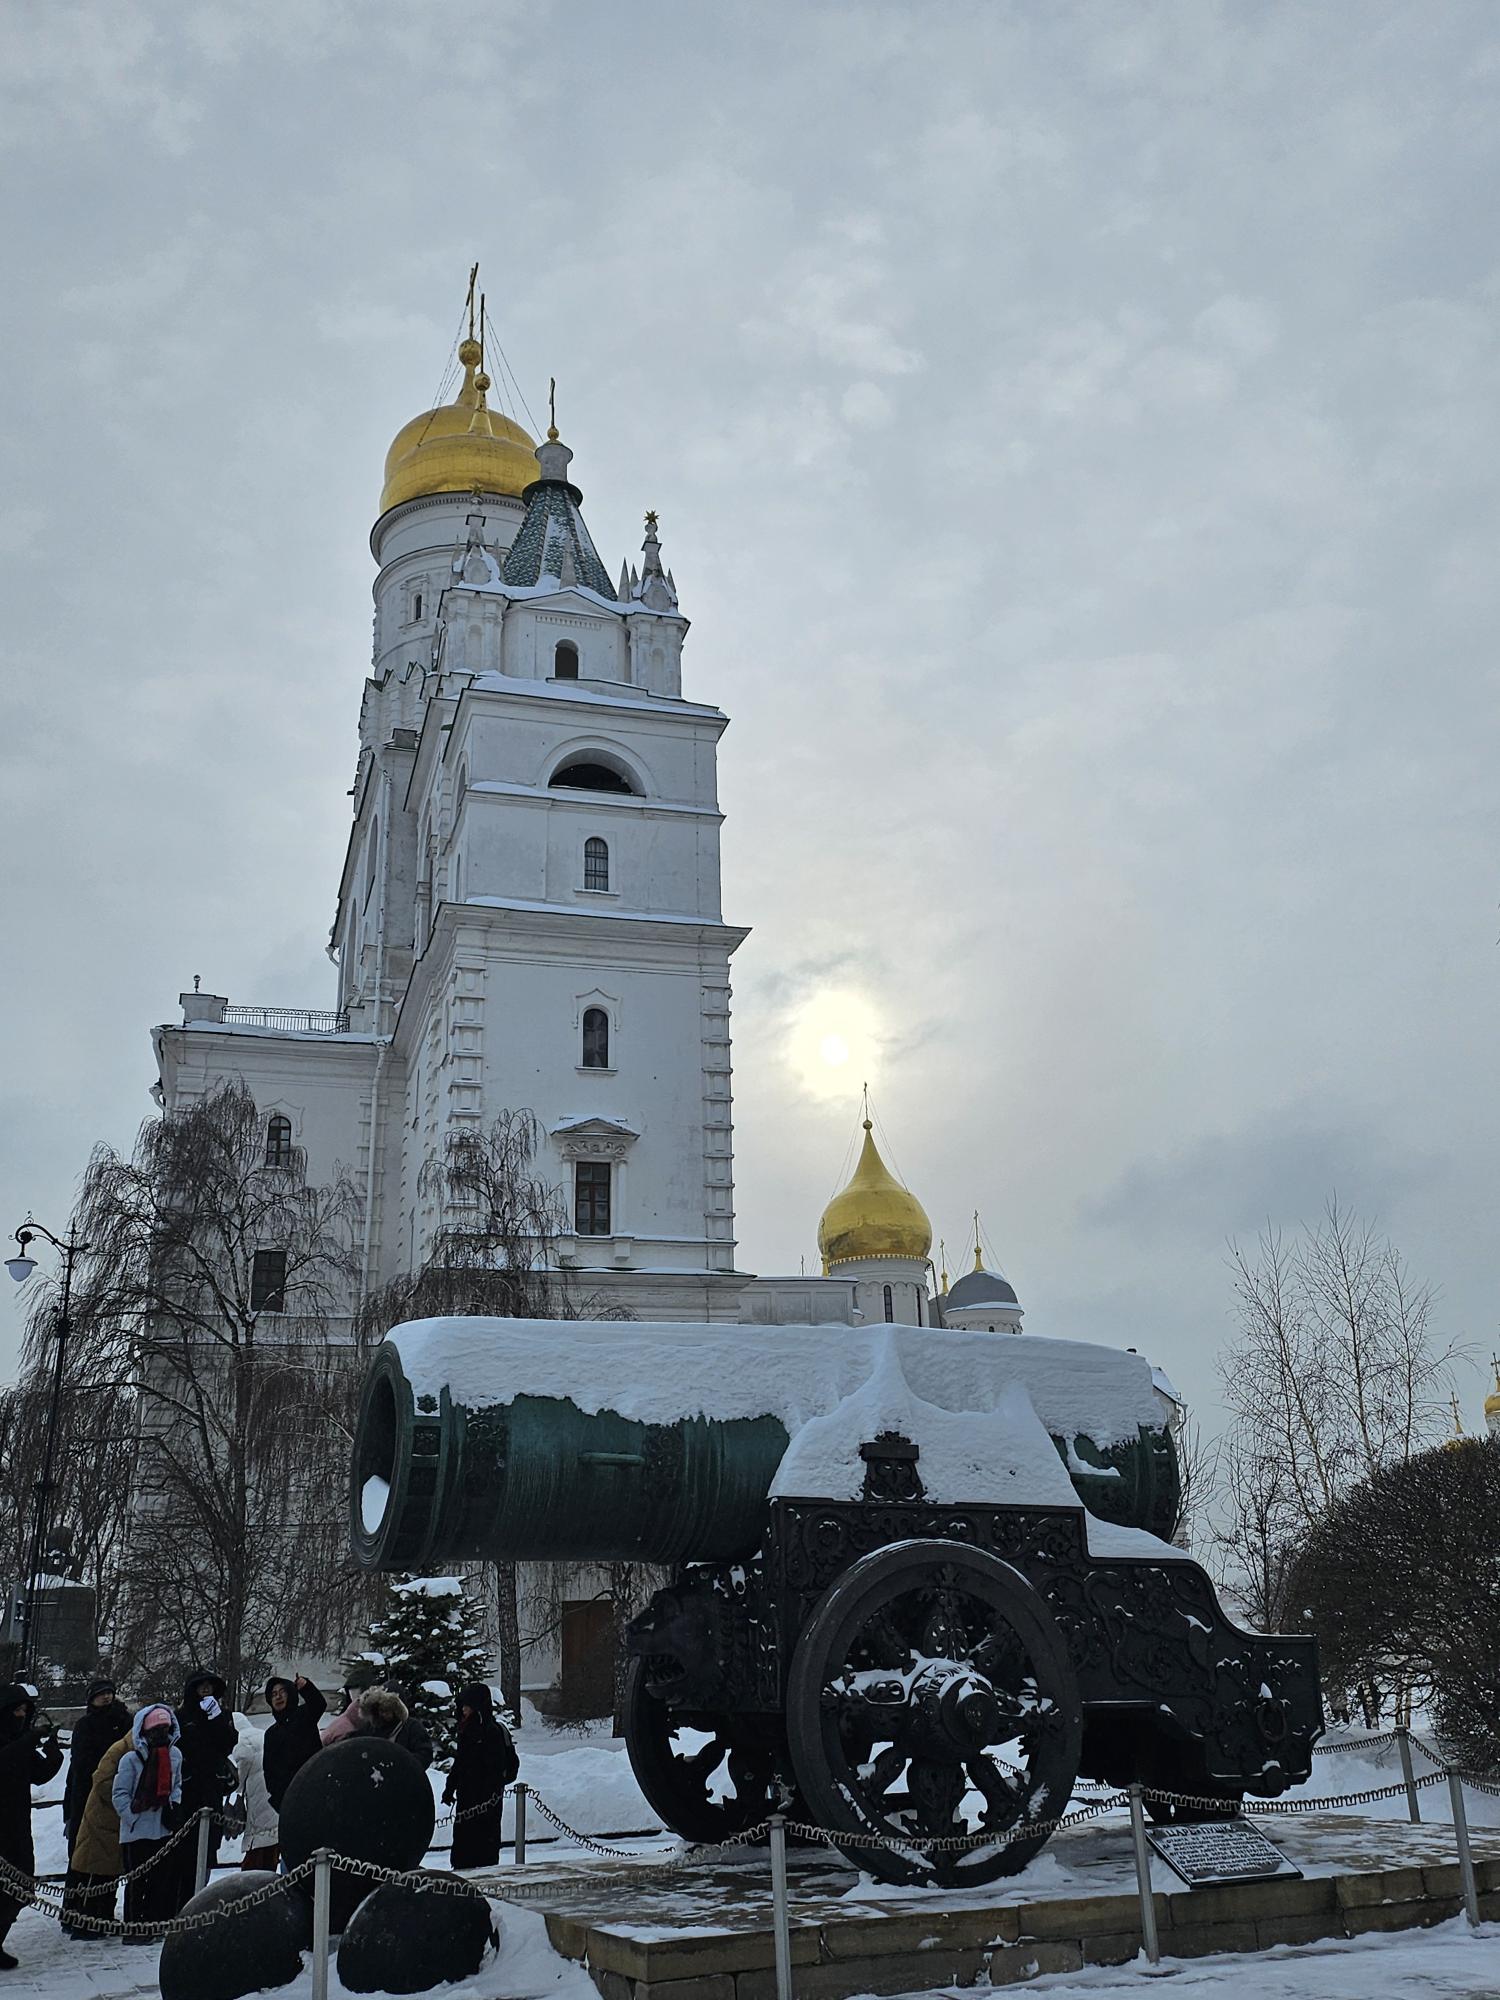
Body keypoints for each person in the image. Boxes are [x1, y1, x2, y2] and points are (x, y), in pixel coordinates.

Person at [0, 1681, 63, 1970]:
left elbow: (37, 1774)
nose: (22, 1716)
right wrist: (28, 1741)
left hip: (17, 1825)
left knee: (21, 1885)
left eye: (25, 1711)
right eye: (17, 1711)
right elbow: (6, 1761)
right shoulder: (9, 1741)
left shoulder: (20, 1740)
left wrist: (53, 1752)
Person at [166, 1669, 237, 1913]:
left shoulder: (222, 1714)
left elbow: (228, 1744)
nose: (206, 1689)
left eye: (209, 1686)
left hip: (211, 1788)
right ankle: (180, 1902)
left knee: (208, 1847)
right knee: (184, 1849)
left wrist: (217, 1719)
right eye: (201, 1686)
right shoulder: (182, 1715)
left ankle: (199, 1899)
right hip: (187, 1789)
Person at [110, 1705, 181, 1933]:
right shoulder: (130, 1759)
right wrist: (132, 1817)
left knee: (161, 1880)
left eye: (165, 1729)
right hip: (136, 1831)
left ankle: (156, 1921)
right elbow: (119, 1794)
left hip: (162, 1827)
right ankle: (135, 1925)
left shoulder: (174, 1755)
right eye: (155, 1730)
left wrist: (174, 1806)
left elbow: (176, 1784)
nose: (160, 1735)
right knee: (137, 1881)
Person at [64, 1715, 136, 1938]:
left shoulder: (128, 1743)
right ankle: (84, 1918)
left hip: (114, 1817)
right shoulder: (118, 1750)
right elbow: (102, 1780)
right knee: (92, 1869)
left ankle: (102, 1915)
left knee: (110, 1870)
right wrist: (128, 1797)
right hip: (101, 1815)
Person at [442, 1683, 517, 1871]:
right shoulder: (466, 1730)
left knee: (484, 1847)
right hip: (467, 1797)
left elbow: (495, 1768)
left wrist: (488, 1791)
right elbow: (460, 1763)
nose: (464, 1709)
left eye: (467, 1705)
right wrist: (450, 1788)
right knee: (464, 1847)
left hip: (485, 1800)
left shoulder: (491, 1732)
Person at [62, 1681, 130, 1854]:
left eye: (109, 1692)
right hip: (88, 1787)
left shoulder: (124, 1719)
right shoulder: (85, 1724)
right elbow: (79, 1763)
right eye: (101, 1694)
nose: (106, 1697)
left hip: (118, 1783)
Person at [320, 1686, 433, 1769]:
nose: (384, 1714)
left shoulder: (412, 1727)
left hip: (403, 1785)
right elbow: (354, 1743)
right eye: (380, 1710)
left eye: (387, 1710)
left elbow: (424, 1755)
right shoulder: (372, 1727)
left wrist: (399, 1761)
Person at [261, 1672, 326, 1816]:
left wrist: (306, 1686)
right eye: (273, 1694)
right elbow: (270, 1772)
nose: (278, 1697)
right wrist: (280, 1800)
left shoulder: (304, 1715)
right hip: (291, 1800)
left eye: (282, 1691)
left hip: (317, 1790)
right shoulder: (271, 1734)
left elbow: (319, 1704)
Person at [230, 1726, 278, 1872]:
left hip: (257, 1806)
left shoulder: (242, 1741)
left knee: (254, 1858)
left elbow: (238, 1776)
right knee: (271, 1853)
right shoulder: (262, 1734)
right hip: (272, 1798)